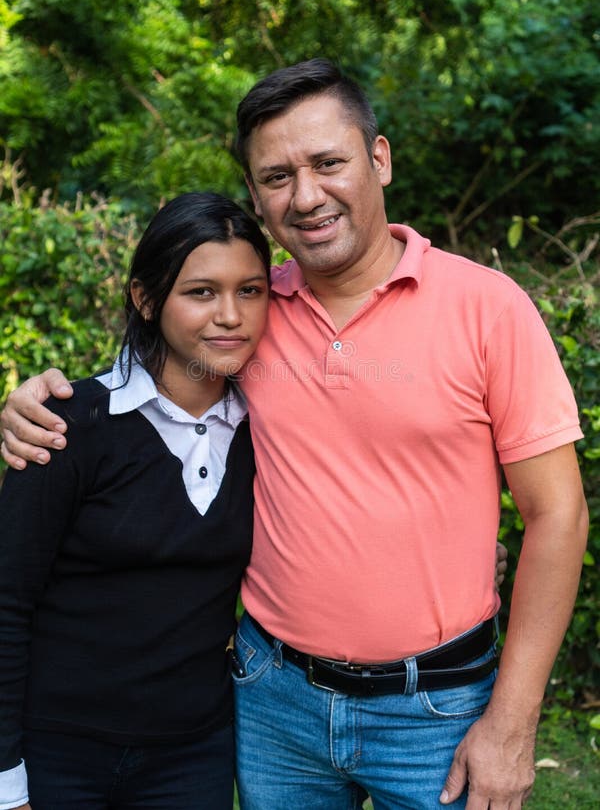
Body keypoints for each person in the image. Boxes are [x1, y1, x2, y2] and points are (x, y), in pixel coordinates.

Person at [1, 59, 588, 809]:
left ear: (378, 159)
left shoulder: (489, 308)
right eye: (276, 176)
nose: (306, 196)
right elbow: (153, 378)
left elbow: (558, 515)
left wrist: (513, 722)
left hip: (436, 711)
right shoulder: (256, 313)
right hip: (274, 702)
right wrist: (35, 401)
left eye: (328, 163)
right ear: (255, 194)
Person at [0, 192, 271, 810]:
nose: (230, 315)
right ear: (146, 300)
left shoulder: (272, 430)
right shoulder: (68, 426)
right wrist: (5, 780)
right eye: (201, 292)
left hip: (193, 755)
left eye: (250, 290)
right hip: (57, 751)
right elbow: (6, 602)